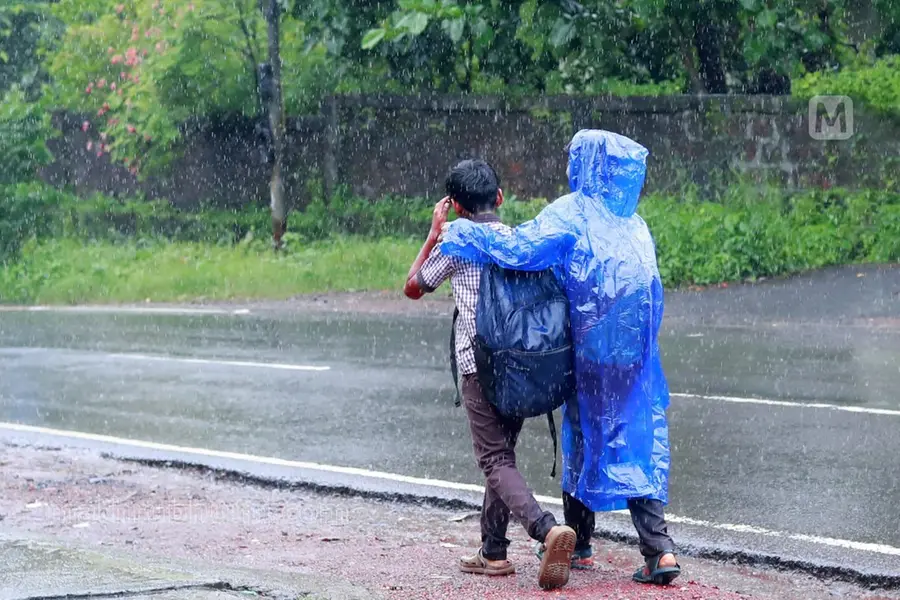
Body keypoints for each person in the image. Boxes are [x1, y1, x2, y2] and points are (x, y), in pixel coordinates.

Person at [440, 130, 681, 585]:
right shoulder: (634, 225)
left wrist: (460, 232)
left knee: (583, 437)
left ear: (584, 165)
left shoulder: (570, 213)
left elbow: (519, 250)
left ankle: (579, 544)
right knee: (632, 440)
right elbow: (653, 291)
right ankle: (659, 550)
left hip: (587, 352)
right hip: (635, 356)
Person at [403, 159, 577, 590]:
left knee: (495, 459)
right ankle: (493, 552)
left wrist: (433, 232)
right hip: (520, 363)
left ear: (456, 207)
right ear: (499, 198)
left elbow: (413, 285)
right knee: (502, 456)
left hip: (477, 365)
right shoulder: (518, 240)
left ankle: (545, 528)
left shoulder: (455, 244)